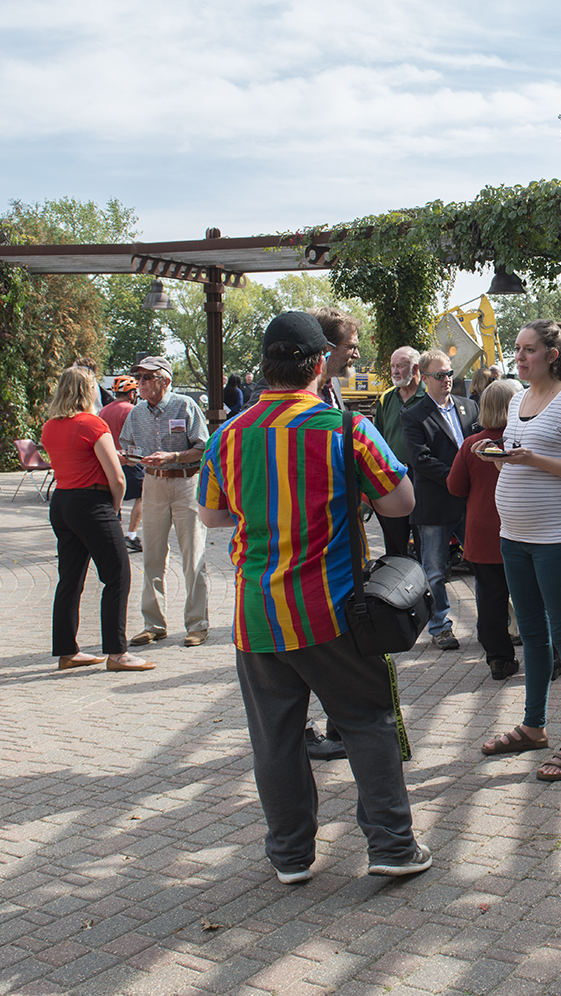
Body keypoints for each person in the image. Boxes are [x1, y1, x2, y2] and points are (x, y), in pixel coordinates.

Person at [197, 310, 430, 883]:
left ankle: (291, 856)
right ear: (319, 363)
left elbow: (213, 514)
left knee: (275, 739)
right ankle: (392, 847)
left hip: (257, 617)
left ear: (264, 367)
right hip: (333, 612)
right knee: (368, 722)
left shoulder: (228, 435)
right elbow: (401, 504)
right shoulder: (344, 429)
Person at [475, 320, 561, 780]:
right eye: (516, 349)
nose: (520, 357)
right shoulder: (517, 400)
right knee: (531, 636)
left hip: (559, 541)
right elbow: (518, 453)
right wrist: (500, 454)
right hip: (515, 538)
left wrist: (531, 459)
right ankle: (533, 727)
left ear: (552, 354)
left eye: (529, 350)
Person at [39, 367, 151, 673]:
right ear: (87, 391)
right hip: (93, 502)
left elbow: (73, 457)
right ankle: (117, 653)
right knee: (117, 575)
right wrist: (113, 510)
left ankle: (66, 651)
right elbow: (117, 478)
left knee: (70, 579)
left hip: (62, 502)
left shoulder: (50, 426)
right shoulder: (92, 423)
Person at [119, 355, 211, 648]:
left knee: (192, 556)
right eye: (139, 377)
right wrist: (129, 456)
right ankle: (153, 625)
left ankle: (198, 624)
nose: (140, 383)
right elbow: (127, 444)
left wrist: (172, 456)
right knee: (152, 557)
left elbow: (203, 447)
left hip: (186, 483)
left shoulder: (185, 405)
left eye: (147, 377)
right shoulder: (136, 413)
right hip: (153, 483)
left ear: (165, 380)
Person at [402, 349, 480, 651]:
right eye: (439, 375)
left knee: (483, 563)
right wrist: (459, 477)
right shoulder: (413, 415)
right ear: (424, 378)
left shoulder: (469, 407)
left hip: (469, 502)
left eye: (449, 374)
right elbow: (421, 460)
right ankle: (440, 626)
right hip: (435, 503)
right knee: (433, 570)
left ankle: (493, 622)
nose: (447, 379)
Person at [447, 378, 523, 680]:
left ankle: (499, 658)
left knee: (490, 600)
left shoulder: (472, 444)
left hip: (482, 533)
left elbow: (454, 487)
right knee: (534, 598)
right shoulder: (524, 443)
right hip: (521, 529)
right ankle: (550, 655)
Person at [373, 346, 426, 557]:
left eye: (400, 366)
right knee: (394, 543)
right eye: (392, 366)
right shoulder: (386, 398)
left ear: (415, 368)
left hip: (422, 478)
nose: (395, 371)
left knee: (424, 541)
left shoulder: (429, 396)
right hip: (393, 479)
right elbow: (377, 438)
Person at [101, 376, 144, 552]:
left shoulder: (103, 411)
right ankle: (131, 535)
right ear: (131, 393)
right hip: (129, 459)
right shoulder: (132, 410)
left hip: (108, 460)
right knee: (143, 494)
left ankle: (114, 535)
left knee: (113, 498)